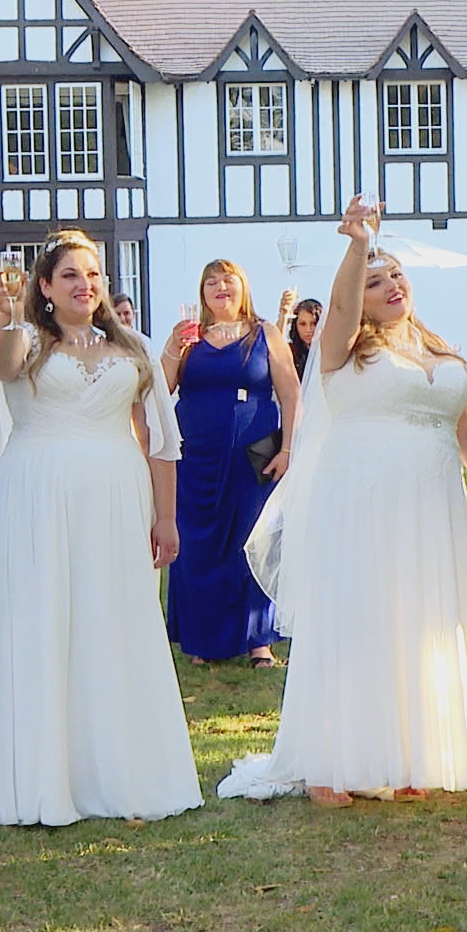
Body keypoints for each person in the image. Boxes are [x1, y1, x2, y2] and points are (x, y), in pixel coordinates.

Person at [218, 197, 467, 807]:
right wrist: (358, 246)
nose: (390, 285)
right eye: (376, 282)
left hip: (431, 512)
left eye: (395, 273)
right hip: (363, 504)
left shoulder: (439, 349)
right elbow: (345, 309)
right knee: (358, 623)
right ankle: (330, 761)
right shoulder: (342, 350)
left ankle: (406, 752)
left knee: (418, 623)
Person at [0, 231, 201, 825]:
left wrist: (165, 517)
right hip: (35, 495)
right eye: (69, 275)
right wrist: (7, 313)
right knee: (40, 620)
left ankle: (114, 767)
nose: (85, 285)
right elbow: (4, 366)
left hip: (116, 496)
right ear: (45, 286)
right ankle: (37, 771)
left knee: (108, 621)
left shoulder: (133, 347)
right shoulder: (24, 340)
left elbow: (161, 442)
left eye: (92, 275)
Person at [160, 258, 300, 667]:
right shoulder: (190, 338)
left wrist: (288, 449)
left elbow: (290, 395)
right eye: (212, 282)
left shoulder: (265, 334)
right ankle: (202, 639)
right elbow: (161, 389)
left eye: (229, 280)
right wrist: (173, 348)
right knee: (197, 544)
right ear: (202, 294)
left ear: (244, 287)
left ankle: (259, 640)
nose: (221, 287)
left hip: (252, 453)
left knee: (251, 539)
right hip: (195, 456)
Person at [286, 297, 322, 376]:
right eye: (303, 324)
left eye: (314, 323)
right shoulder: (290, 352)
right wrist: (283, 315)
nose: (308, 329)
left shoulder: (329, 351)